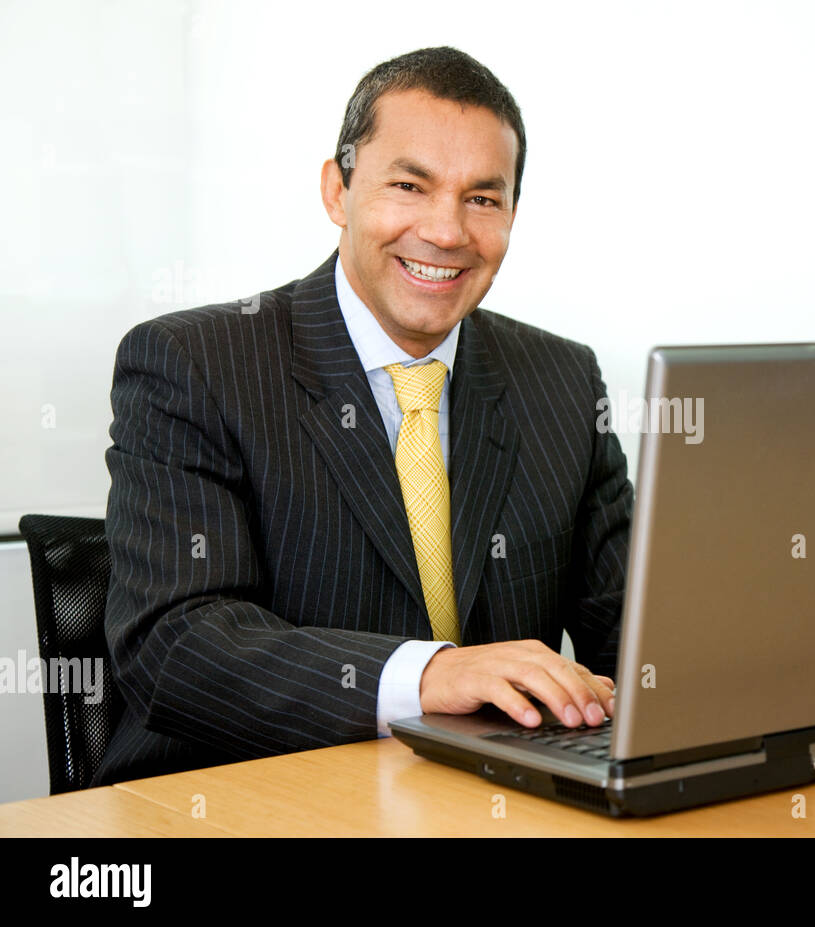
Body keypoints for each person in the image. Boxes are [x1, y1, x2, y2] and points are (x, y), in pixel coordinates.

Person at [93, 47, 632, 785]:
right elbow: (175, 645)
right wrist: (428, 675)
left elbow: (633, 625)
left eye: (483, 198)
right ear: (337, 191)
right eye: (410, 186)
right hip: (242, 804)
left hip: (480, 807)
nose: (446, 231)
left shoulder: (562, 380)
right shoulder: (194, 364)